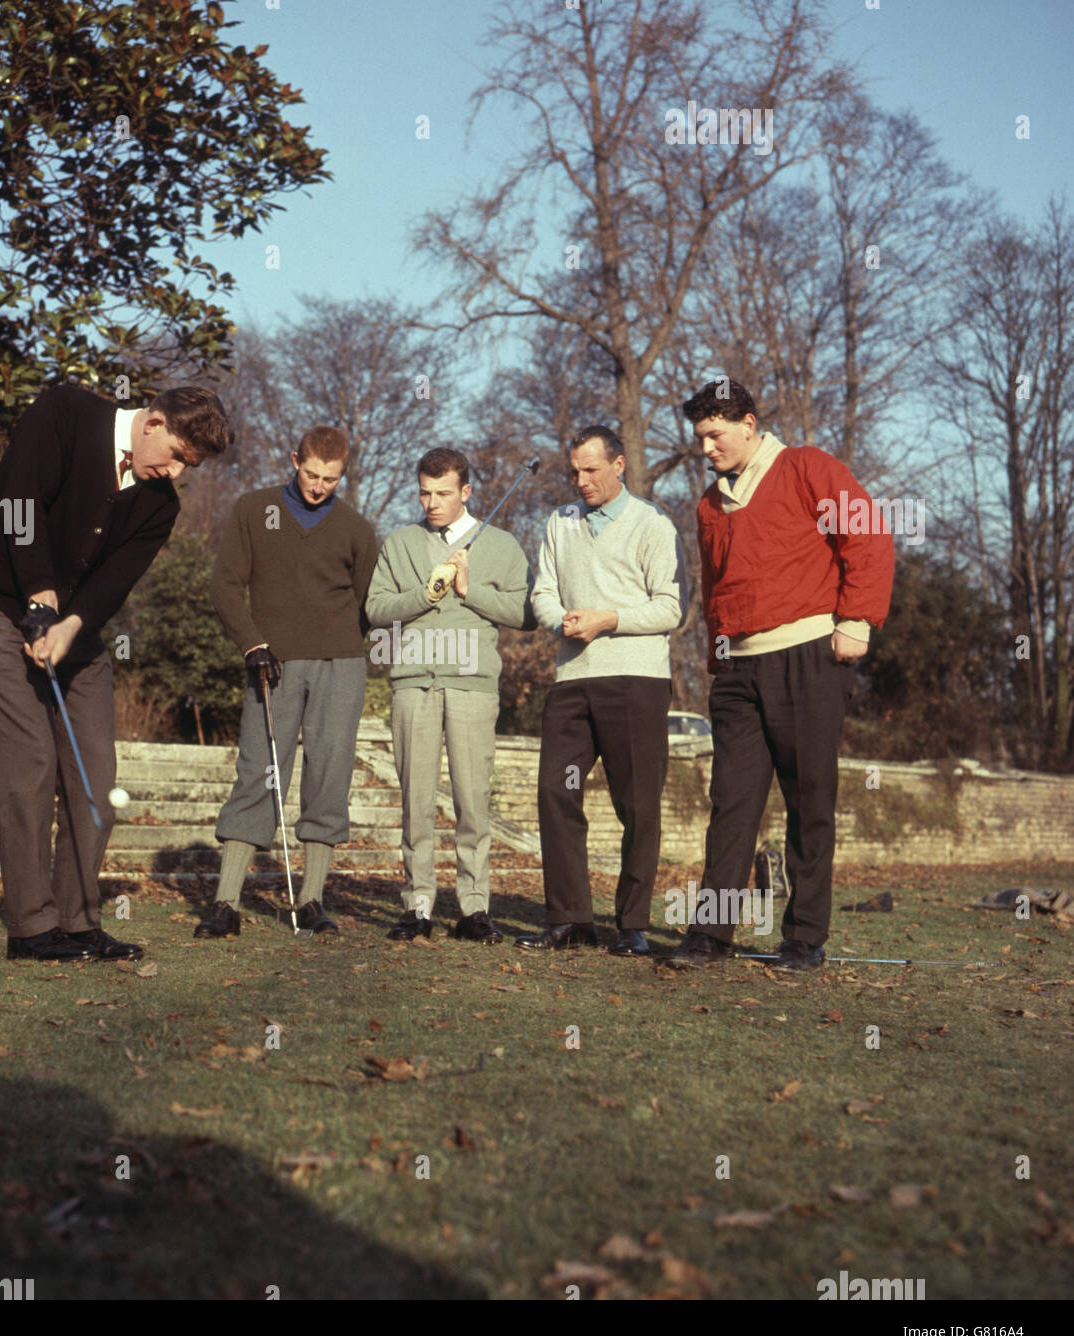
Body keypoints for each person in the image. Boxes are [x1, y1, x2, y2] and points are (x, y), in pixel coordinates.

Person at [0, 382, 231, 962]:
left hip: (75, 632)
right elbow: (19, 502)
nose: (178, 473)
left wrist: (69, 624)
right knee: (28, 761)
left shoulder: (160, 505)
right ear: (153, 422)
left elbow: (112, 582)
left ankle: (78, 923)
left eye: (191, 467)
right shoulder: (64, 412)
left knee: (97, 775)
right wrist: (39, 598)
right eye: (178, 455)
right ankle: (31, 928)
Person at [666, 379, 895, 973]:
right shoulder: (709, 504)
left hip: (809, 656)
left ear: (748, 423)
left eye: (715, 434)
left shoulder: (807, 467)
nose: (706, 447)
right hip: (739, 669)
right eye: (699, 438)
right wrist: (718, 659)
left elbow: (866, 536)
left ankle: (803, 940)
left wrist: (857, 622)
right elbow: (717, 590)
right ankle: (710, 935)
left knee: (809, 798)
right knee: (731, 802)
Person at [196, 427, 378, 940]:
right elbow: (225, 584)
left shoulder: (357, 529)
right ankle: (226, 903)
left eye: (331, 478)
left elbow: (372, 606)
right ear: (294, 459)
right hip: (270, 663)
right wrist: (252, 643)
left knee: (329, 773)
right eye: (311, 474)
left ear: (343, 473)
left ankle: (313, 901)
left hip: (340, 665)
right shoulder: (253, 510)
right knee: (258, 770)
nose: (318, 486)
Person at [516, 426, 688, 956]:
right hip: (572, 678)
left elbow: (670, 608)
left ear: (619, 466)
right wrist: (561, 622)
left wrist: (608, 619)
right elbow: (543, 590)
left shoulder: (652, 523)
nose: (580, 480)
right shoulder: (559, 522)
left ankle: (632, 923)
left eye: (591, 469)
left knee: (637, 805)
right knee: (554, 791)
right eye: (574, 471)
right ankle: (569, 920)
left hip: (635, 678)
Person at [365, 447, 535, 944]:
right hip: (413, 683)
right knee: (416, 799)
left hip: (471, 685)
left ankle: (473, 908)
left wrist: (467, 588)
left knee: (471, 799)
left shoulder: (501, 544)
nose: (432, 502)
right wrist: (424, 595)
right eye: (424, 492)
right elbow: (376, 608)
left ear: (466, 492)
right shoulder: (399, 543)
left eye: (443, 493)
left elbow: (524, 611)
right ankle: (417, 906)